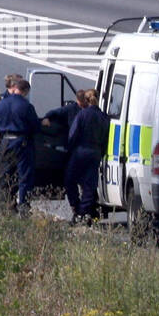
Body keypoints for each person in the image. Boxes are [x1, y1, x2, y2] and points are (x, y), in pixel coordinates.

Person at [0, 77, 41, 212]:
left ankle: (5, 203)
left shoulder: (2, 103)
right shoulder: (26, 106)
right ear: (25, 91)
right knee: (24, 175)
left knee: (5, 174)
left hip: (5, 140)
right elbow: (35, 126)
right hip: (21, 142)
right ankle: (23, 204)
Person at [65, 89, 109, 224]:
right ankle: (84, 212)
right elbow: (106, 138)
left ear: (86, 100)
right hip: (95, 152)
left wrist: (69, 150)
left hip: (80, 151)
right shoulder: (104, 117)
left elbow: (73, 135)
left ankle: (77, 209)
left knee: (70, 180)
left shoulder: (82, 114)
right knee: (90, 184)